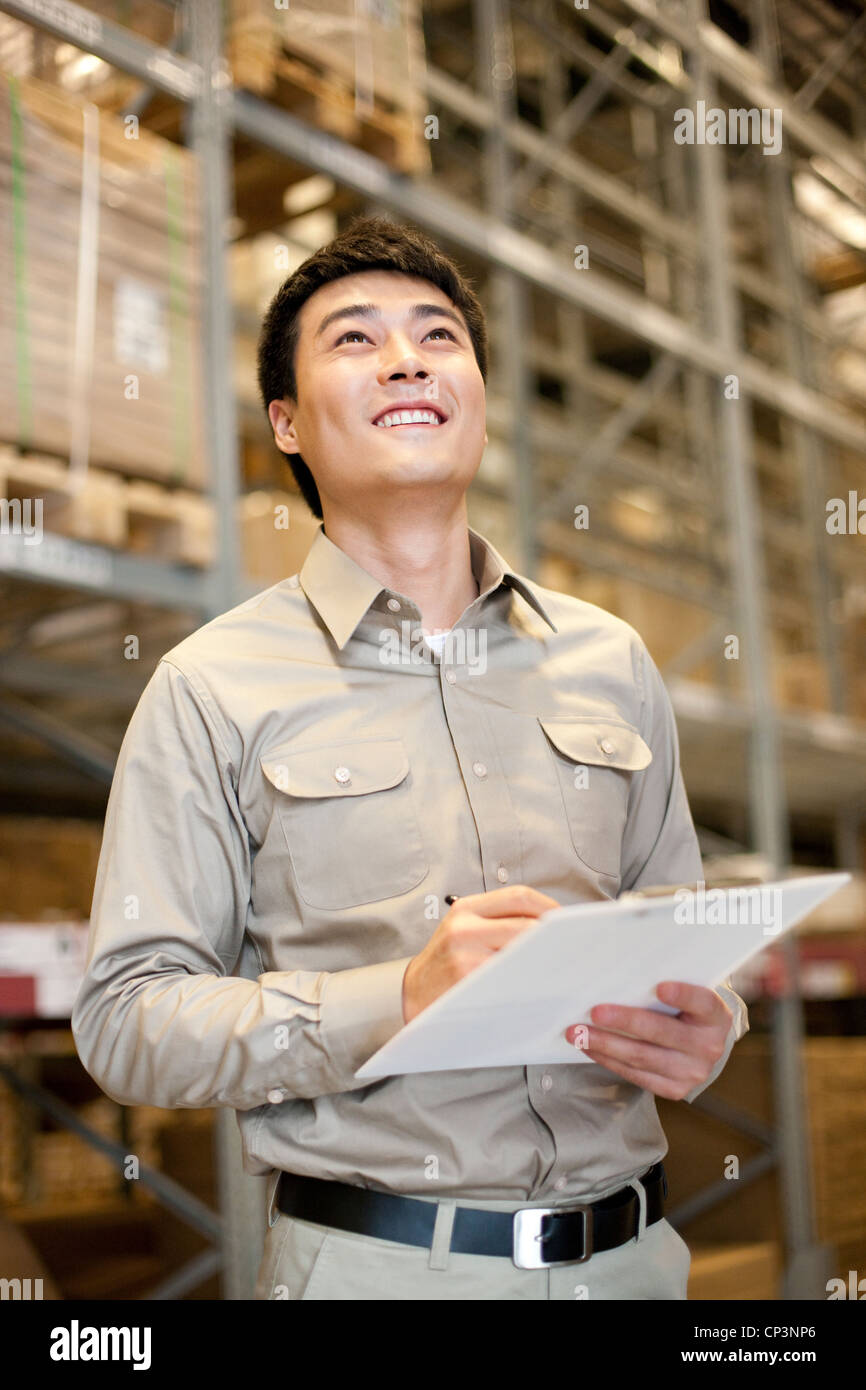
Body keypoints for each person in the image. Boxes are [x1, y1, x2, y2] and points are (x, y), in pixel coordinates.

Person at [72, 215, 748, 1301]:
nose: (406, 357)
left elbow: (676, 927)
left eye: (439, 336)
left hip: (633, 1264)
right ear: (285, 424)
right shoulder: (212, 685)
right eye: (354, 339)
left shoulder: (608, 660)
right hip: (380, 1270)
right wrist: (398, 998)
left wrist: (706, 1024)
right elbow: (128, 1019)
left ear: (475, 394)